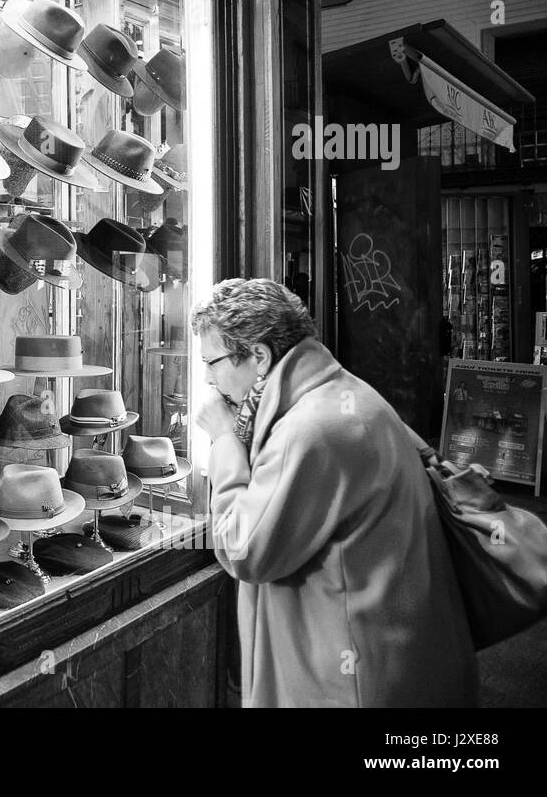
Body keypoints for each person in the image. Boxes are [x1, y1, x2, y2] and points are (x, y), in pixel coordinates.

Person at [191, 278, 477, 707]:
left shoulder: (309, 429)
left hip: (351, 684)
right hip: (400, 657)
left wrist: (223, 442)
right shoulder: (341, 393)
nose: (209, 380)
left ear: (259, 357)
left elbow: (243, 548)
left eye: (211, 362)